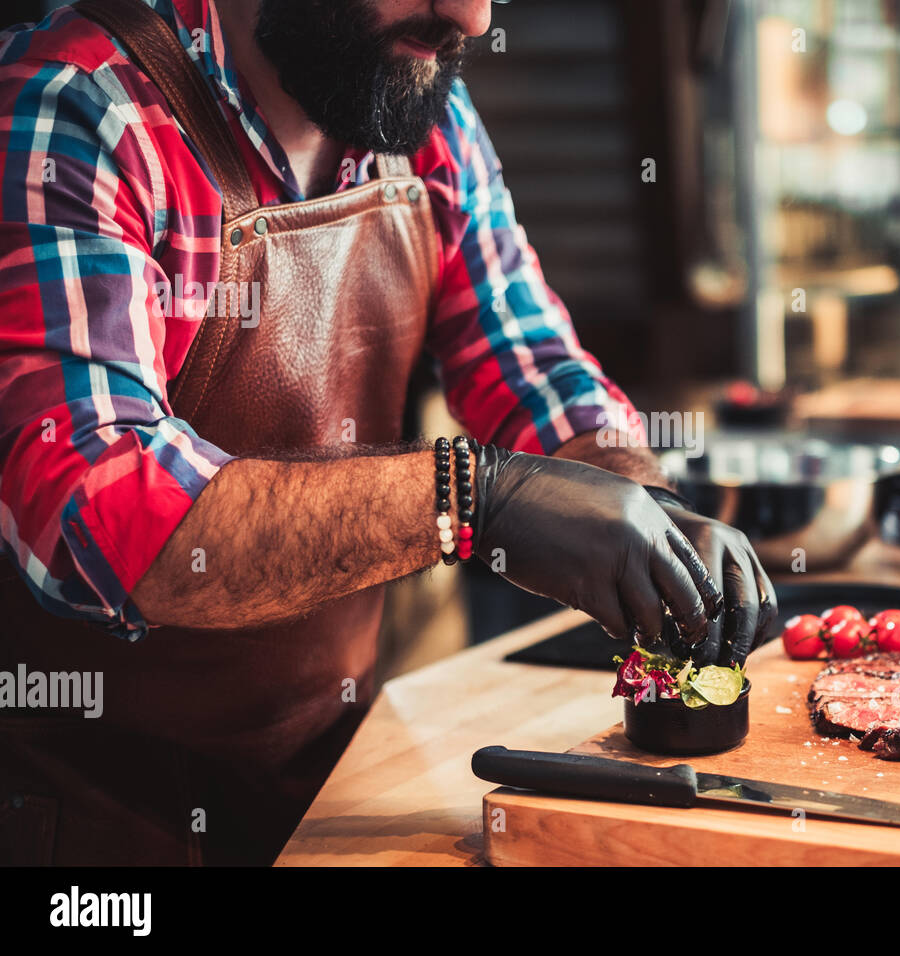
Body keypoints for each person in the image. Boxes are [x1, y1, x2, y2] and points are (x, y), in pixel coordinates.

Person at [0, 0, 776, 865]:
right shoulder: (77, 104)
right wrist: (469, 499)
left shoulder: (407, 94)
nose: (472, 19)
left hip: (329, 783)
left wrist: (647, 507)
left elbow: (533, 367)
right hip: (95, 825)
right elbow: (94, 514)